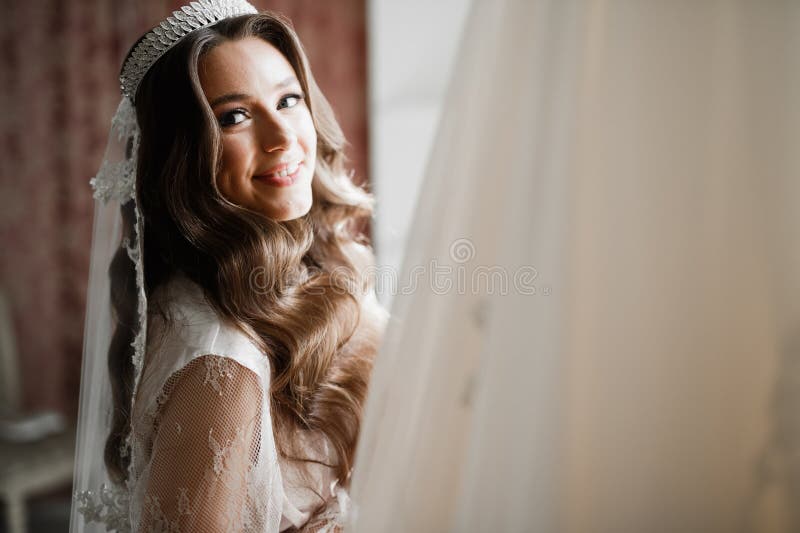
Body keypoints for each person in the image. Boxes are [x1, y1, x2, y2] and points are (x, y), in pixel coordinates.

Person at [70, 2, 387, 532]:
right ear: (181, 155)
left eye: (288, 100)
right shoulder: (221, 369)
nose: (282, 137)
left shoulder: (303, 266)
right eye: (234, 117)